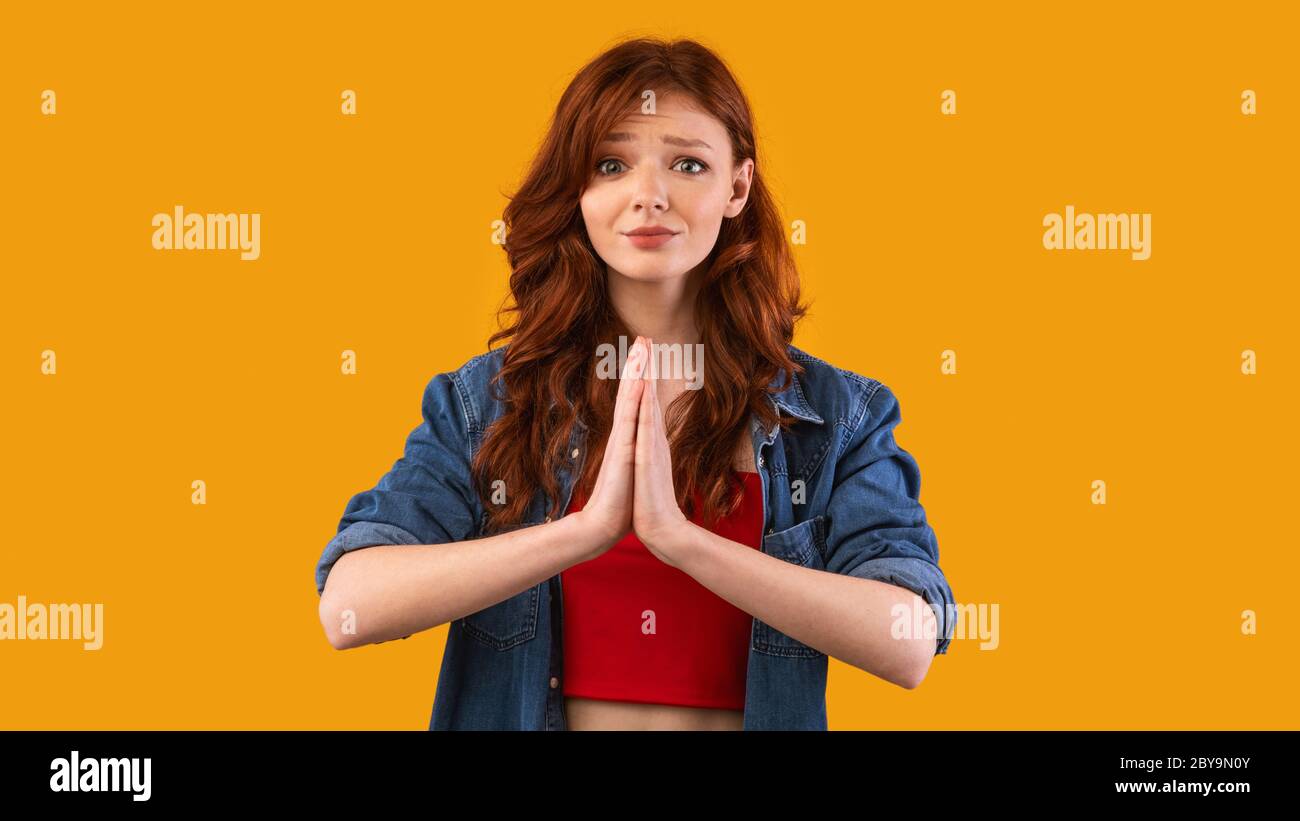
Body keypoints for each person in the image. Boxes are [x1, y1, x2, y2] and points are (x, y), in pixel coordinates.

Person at [315, 37, 955, 730]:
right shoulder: (487, 405)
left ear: (737, 186)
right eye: (611, 164)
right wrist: (585, 531)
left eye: (687, 163)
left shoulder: (835, 417)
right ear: (579, 191)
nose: (648, 195)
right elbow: (351, 605)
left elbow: (910, 640)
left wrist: (681, 539)